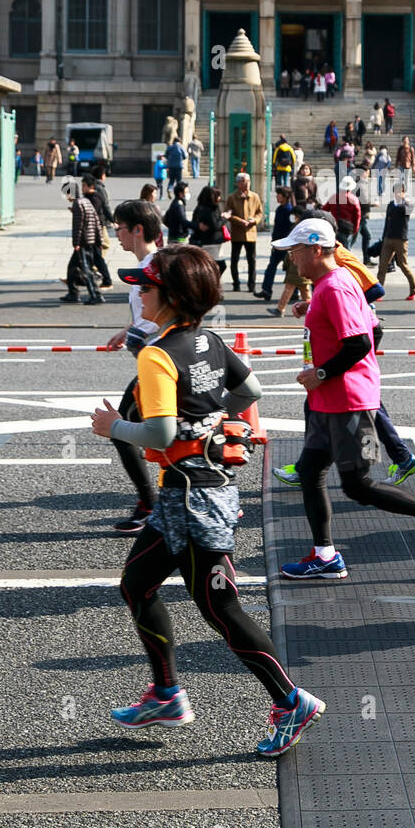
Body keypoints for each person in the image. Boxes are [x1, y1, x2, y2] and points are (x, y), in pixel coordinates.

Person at [92, 245, 325, 756]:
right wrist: (211, 423)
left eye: (146, 286)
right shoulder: (209, 340)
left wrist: (113, 426)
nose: (139, 292)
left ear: (171, 297)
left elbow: (158, 430)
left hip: (190, 500)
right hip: (201, 490)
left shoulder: (157, 353)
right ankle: (166, 693)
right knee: (137, 583)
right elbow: (251, 388)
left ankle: (290, 700)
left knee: (220, 608)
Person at [272, 219, 415, 578]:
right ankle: (325, 556)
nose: (291, 259)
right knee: (311, 471)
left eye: (295, 251)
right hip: (327, 400)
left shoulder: (336, 287)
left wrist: (322, 372)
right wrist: (310, 312)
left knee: (357, 485)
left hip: (347, 400)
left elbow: (360, 342)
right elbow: (366, 325)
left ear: (315, 250)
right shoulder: (330, 284)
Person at [274, 210, 415, 489]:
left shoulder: (337, 263)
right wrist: (317, 306)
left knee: (354, 396)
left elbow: (372, 291)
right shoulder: (329, 266)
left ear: (318, 245)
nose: (292, 256)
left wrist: (346, 310)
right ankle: (313, 464)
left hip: (362, 328)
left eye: (296, 249)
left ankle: (320, 463)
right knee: (344, 399)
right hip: (351, 327)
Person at [103, 199, 163, 533]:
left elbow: (163, 317)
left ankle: (150, 505)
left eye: (120, 228)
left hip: (159, 367)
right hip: (157, 365)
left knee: (123, 429)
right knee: (156, 434)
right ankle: (155, 503)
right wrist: (129, 329)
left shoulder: (151, 269)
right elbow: (152, 315)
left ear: (138, 230)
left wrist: (135, 338)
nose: (117, 235)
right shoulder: (151, 264)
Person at [60, 178, 103, 305]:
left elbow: (78, 226)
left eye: (66, 194)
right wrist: (99, 240)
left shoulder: (78, 204)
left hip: (84, 242)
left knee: (87, 269)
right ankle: (73, 293)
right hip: (90, 240)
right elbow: (96, 221)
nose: (66, 197)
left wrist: (76, 244)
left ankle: (96, 295)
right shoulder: (85, 201)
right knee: (72, 267)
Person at [377, 183, 415, 300]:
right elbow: (387, 221)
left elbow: (407, 210)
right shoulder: (391, 204)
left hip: (401, 239)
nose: (397, 194)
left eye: (399, 191)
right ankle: (378, 291)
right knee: (383, 265)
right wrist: (383, 237)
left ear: (403, 192)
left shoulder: (407, 205)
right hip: (388, 238)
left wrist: (404, 201)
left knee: (403, 265)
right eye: (395, 192)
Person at [224, 172, 263, 293]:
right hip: (237, 232)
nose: (247, 184)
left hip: (251, 232)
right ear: (238, 183)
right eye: (244, 181)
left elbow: (259, 213)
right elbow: (228, 214)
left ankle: (251, 285)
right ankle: (236, 283)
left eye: (248, 181)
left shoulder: (255, 196)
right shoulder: (232, 197)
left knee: (252, 260)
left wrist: (254, 220)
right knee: (234, 259)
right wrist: (239, 221)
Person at [255, 186, 294, 301]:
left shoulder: (290, 210)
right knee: (271, 267)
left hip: (286, 245)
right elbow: (276, 228)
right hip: (278, 244)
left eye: (279, 195)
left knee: (290, 270)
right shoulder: (279, 209)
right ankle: (266, 290)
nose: (276, 196)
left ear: (285, 196)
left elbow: (291, 230)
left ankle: (295, 292)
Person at [81, 174, 114, 289]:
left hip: (93, 232)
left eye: (84, 185)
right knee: (82, 258)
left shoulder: (95, 198)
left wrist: (113, 220)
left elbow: (92, 214)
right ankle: (76, 280)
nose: (82, 188)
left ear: (91, 186)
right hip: (89, 232)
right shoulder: (89, 197)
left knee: (97, 258)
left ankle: (107, 280)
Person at [323, 174, 362, 247]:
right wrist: (355, 229)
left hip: (334, 226)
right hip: (347, 227)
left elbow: (324, 210)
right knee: (346, 249)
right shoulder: (354, 199)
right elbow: (357, 216)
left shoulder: (334, 197)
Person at [190, 185, 225, 251]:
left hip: (207, 241)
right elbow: (215, 225)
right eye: (217, 196)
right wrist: (223, 217)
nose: (219, 198)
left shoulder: (202, 207)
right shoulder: (208, 210)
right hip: (209, 242)